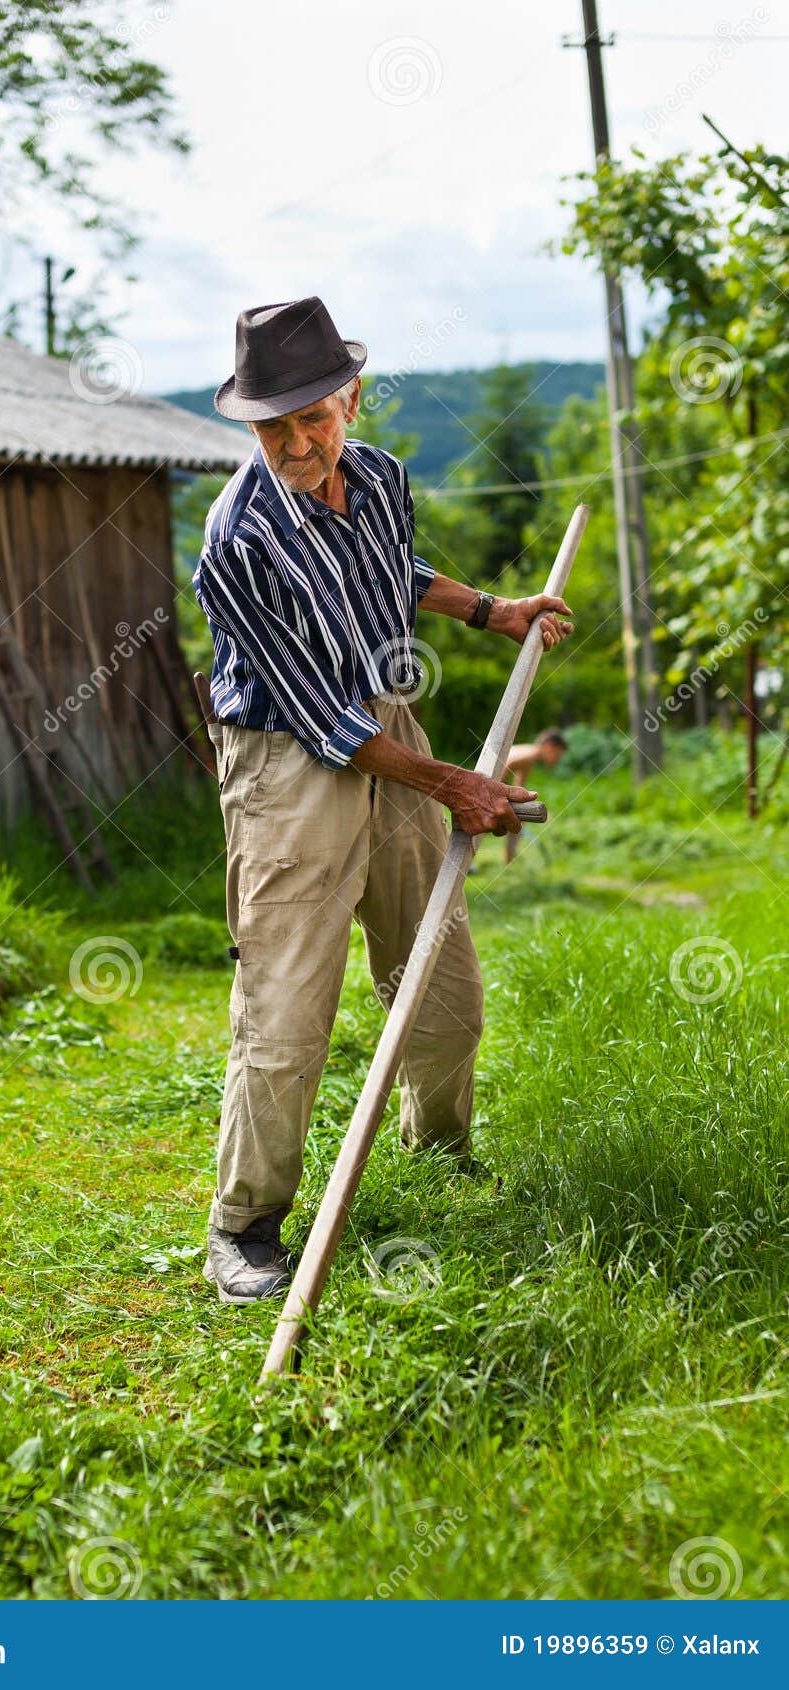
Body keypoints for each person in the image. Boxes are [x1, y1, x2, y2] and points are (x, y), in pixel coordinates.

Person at [193, 297, 573, 1304]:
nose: (294, 442)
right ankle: (244, 1225)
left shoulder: (381, 479)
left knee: (440, 985)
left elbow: (388, 572)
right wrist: (457, 787)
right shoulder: (235, 540)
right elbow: (319, 720)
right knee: (287, 1008)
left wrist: (494, 610)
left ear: (349, 400)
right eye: (272, 426)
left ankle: (436, 1148)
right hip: (287, 759)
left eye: (311, 417)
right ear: (248, 424)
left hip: (385, 725)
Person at [502, 730, 569, 864]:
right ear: (549, 747)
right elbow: (501, 772)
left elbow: (520, 787)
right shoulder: (528, 755)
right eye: (558, 755)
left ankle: (508, 861)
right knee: (513, 819)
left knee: (519, 818)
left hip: (493, 785)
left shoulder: (529, 757)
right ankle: (507, 861)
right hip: (484, 786)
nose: (557, 760)